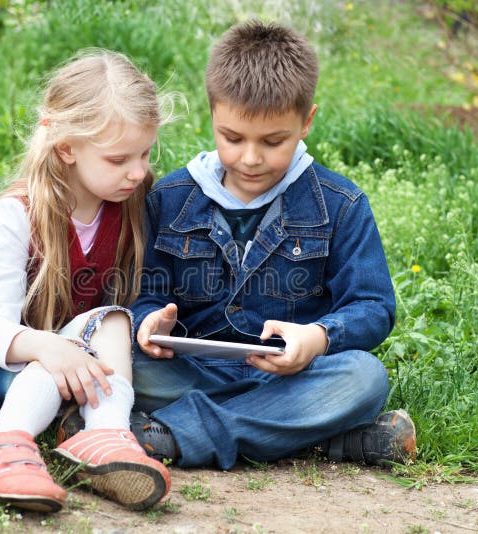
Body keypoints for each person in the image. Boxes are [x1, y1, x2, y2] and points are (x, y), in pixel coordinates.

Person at [128, 21, 417, 471]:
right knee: (118, 362)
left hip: (295, 377)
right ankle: (321, 438)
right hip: (193, 373)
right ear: (213, 117)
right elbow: (141, 292)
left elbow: (373, 306)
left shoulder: (340, 205)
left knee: (363, 377)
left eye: (273, 141)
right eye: (233, 137)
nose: (250, 158)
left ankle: (171, 434)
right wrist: (148, 320)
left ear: (307, 122)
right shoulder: (168, 198)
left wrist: (318, 337)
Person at [0, 50, 173, 512]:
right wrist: (48, 348)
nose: (138, 171)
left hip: (56, 344)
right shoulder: (19, 214)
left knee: (114, 321)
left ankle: (106, 438)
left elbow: (104, 318)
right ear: (67, 147)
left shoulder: (128, 201)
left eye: (145, 153)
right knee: (54, 367)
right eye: (119, 159)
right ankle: (1, 446)